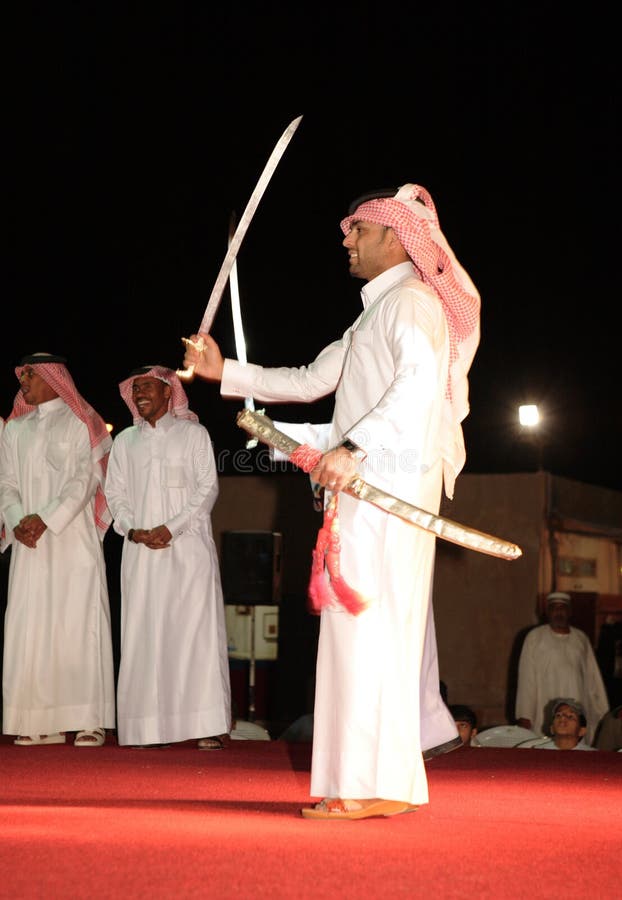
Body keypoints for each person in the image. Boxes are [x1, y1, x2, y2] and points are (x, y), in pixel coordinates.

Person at [182, 183, 480, 819]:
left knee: (371, 632)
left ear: (394, 237)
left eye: (357, 230)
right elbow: (312, 382)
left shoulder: (413, 303)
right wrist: (224, 372)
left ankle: (375, 786)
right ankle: (376, 783)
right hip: (364, 488)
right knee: (357, 634)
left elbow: (417, 387)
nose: (345, 239)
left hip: (386, 488)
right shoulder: (376, 311)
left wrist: (356, 448)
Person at [104, 365, 231, 749]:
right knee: (144, 635)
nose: (139, 393)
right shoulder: (125, 442)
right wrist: (131, 528)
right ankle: (145, 728)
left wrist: (170, 527)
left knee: (194, 635)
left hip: (188, 549)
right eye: (134, 387)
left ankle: (204, 725)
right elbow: (115, 495)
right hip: (141, 552)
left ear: (167, 391)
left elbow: (207, 490)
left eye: (147, 387)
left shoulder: (194, 435)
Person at [0, 353, 115, 746]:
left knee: (77, 625)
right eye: (23, 374)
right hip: (28, 542)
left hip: (71, 540)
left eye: (31, 373)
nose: (24, 380)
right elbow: (6, 483)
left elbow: (85, 481)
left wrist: (44, 519)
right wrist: (18, 519)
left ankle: (89, 720)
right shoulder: (15, 431)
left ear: (55, 379)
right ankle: (37, 720)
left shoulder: (82, 423)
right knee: (32, 626)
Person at [515, 591, 609, 744]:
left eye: (563, 608)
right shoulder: (534, 637)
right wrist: (525, 716)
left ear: (570, 612)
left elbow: (594, 680)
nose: (559, 612)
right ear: (548, 612)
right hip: (544, 713)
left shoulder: (581, 639)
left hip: (577, 709)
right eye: (554, 608)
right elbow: (527, 680)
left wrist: (603, 714)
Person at [530, 698, 598, 750]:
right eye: (558, 715)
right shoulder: (538, 753)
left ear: (581, 731)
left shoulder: (592, 756)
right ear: (552, 729)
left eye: (570, 716)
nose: (562, 718)